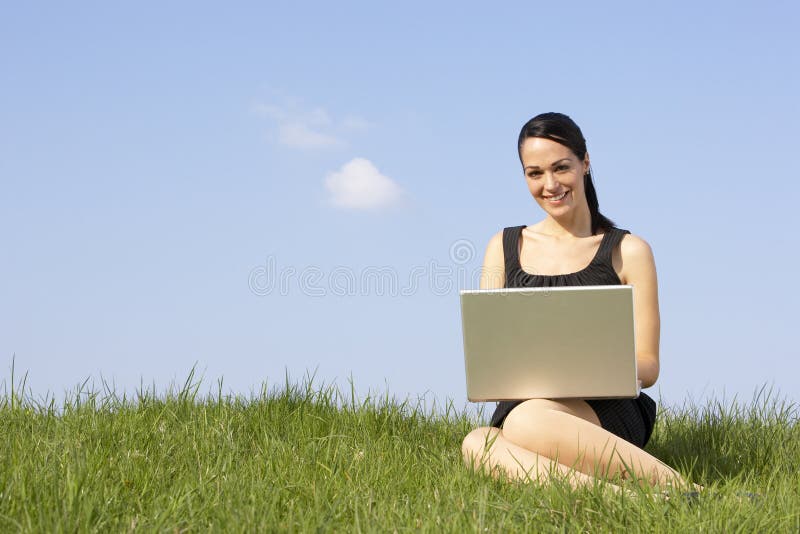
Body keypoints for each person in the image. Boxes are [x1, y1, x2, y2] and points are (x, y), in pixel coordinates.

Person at [461, 112, 693, 492]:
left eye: (561, 168)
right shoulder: (501, 246)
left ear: (585, 163)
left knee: (526, 421)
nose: (550, 185)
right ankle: (638, 501)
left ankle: (684, 488)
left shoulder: (629, 251)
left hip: (604, 410)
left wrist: (596, 365)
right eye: (535, 173)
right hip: (522, 407)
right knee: (477, 443)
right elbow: (490, 352)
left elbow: (649, 365)